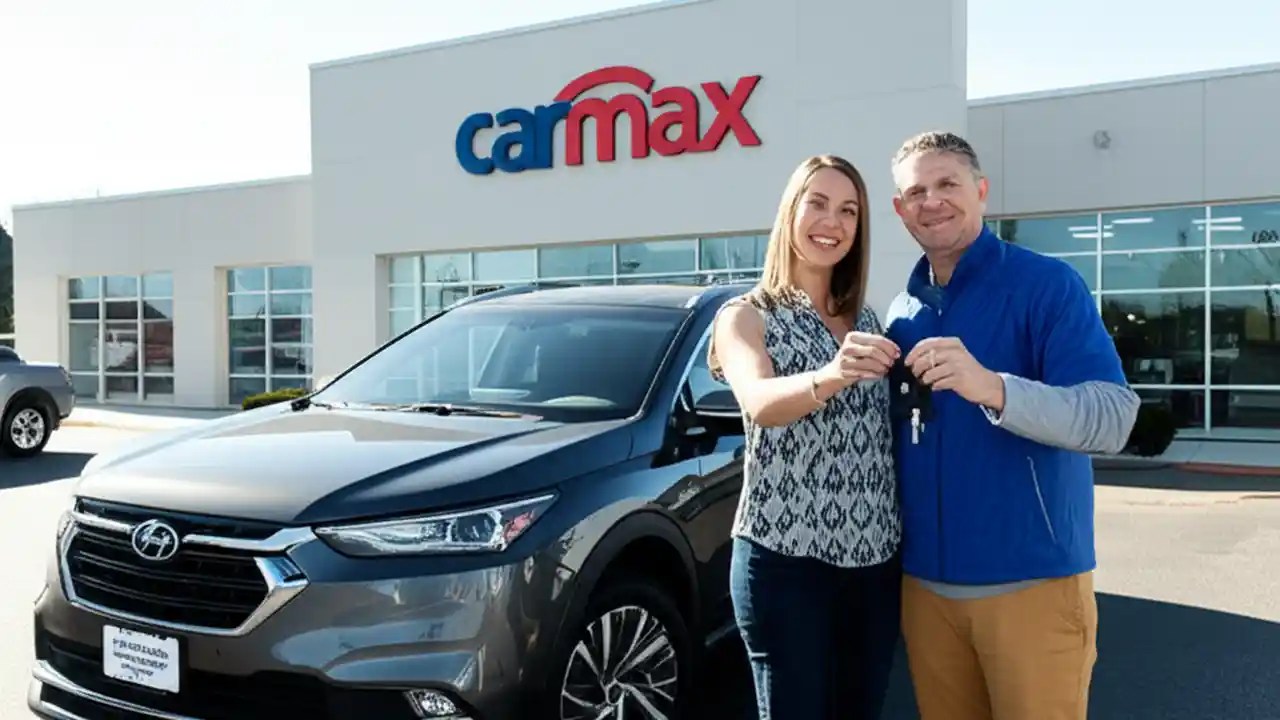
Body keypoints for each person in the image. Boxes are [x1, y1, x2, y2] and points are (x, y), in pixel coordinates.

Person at [882, 130, 1140, 720]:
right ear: (900, 210)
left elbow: (1112, 417)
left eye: (947, 183)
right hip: (925, 593)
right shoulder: (903, 312)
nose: (932, 201)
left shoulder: (1047, 286)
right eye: (915, 191)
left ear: (980, 190)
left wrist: (993, 388)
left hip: (1031, 588)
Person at [708, 154, 903, 720]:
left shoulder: (867, 319)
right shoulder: (745, 316)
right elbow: (760, 402)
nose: (832, 221)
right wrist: (833, 374)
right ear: (790, 213)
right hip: (786, 562)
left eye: (848, 210)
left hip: (874, 561)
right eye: (817, 203)